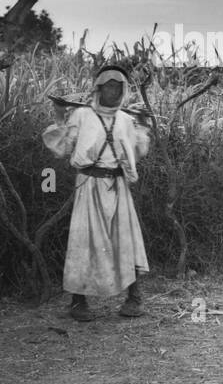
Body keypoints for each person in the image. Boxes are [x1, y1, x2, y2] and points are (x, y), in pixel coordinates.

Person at [42, 64, 152, 321]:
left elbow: (136, 151)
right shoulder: (81, 116)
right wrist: (60, 116)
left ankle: (134, 298)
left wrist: (142, 126)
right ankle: (78, 302)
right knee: (84, 242)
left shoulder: (126, 120)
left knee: (126, 240)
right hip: (89, 186)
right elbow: (64, 146)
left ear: (123, 90)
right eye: (109, 86)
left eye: (118, 87)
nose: (113, 91)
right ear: (99, 88)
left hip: (118, 188)